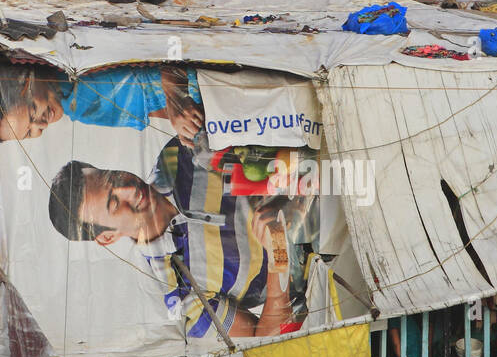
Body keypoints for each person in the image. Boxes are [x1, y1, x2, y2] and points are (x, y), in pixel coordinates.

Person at [47, 140, 317, 340]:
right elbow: (264, 342)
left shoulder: (178, 154)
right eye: (114, 203)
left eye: (113, 177)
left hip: (330, 172)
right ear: (108, 237)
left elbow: (275, 140)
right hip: (333, 262)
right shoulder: (180, 295)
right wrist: (278, 257)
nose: (129, 189)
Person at [0, 65, 204, 146]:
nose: (41, 124)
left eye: (33, 111)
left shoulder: (76, 62)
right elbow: (156, 110)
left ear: (27, 80)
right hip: (213, 98)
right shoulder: (82, 113)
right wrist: (189, 127)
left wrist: (178, 98)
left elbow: (162, 61)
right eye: (29, 133)